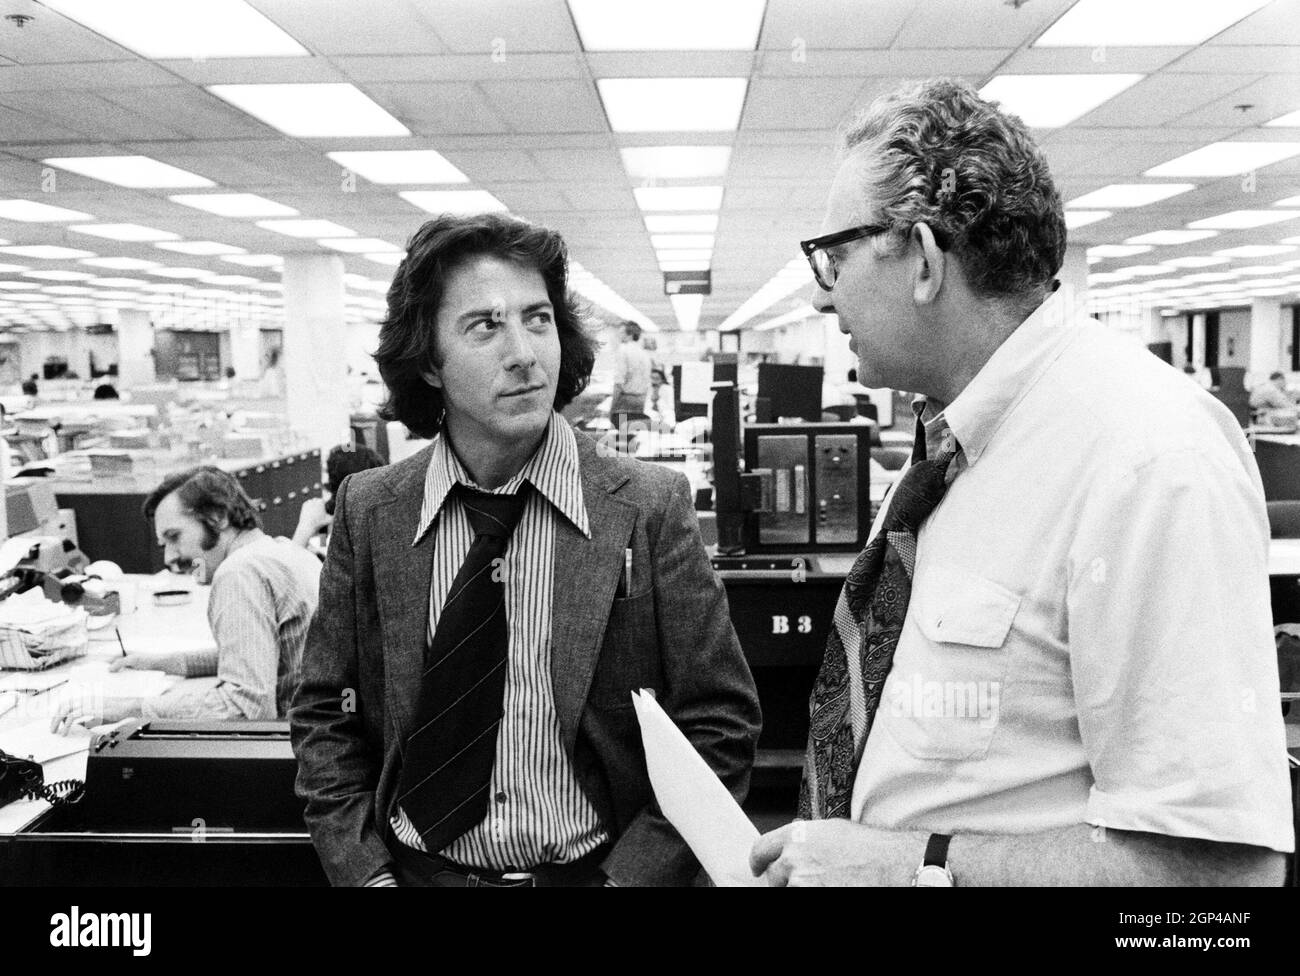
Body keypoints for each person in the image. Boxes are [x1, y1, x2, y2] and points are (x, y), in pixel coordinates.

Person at [751, 78, 1293, 886]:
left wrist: (907, 869)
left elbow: (1219, 886)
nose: (823, 294)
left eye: (834, 255)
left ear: (926, 260)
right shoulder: (951, 443)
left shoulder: (1147, 458)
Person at [290, 212, 760, 887]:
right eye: (485, 326)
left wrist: (626, 881)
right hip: (421, 874)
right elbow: (323, 713)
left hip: (588, 873)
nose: (524, 352)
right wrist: (365, 874)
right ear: (427, 360)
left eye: (538, 319)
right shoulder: (373, 511)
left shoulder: (647, 506)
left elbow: (720, 722)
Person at [50, 467, 322, 731]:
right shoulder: (283, 551)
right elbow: (257, 654)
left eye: (174, 537)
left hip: (296, 754)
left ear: (218, 517)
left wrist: (131, 708)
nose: (169, 558)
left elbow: (246, 708)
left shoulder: (240, 572)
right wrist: (166, 663)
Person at [291, 443, 386, 554]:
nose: (323, 481)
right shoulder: (377, 514)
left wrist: (304, 529)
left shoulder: (346, 521)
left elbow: (286, 569)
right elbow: (324, 544)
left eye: (326, 471)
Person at [609, 319, 652, 417]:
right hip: (641, 399)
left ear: (630, 334)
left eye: (621, 332)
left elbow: (619, 382)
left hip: (625, 401)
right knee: (633, 428)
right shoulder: (644, 353)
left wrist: (611, 408)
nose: (619, 335)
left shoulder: (622, 350)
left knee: (621, 430)